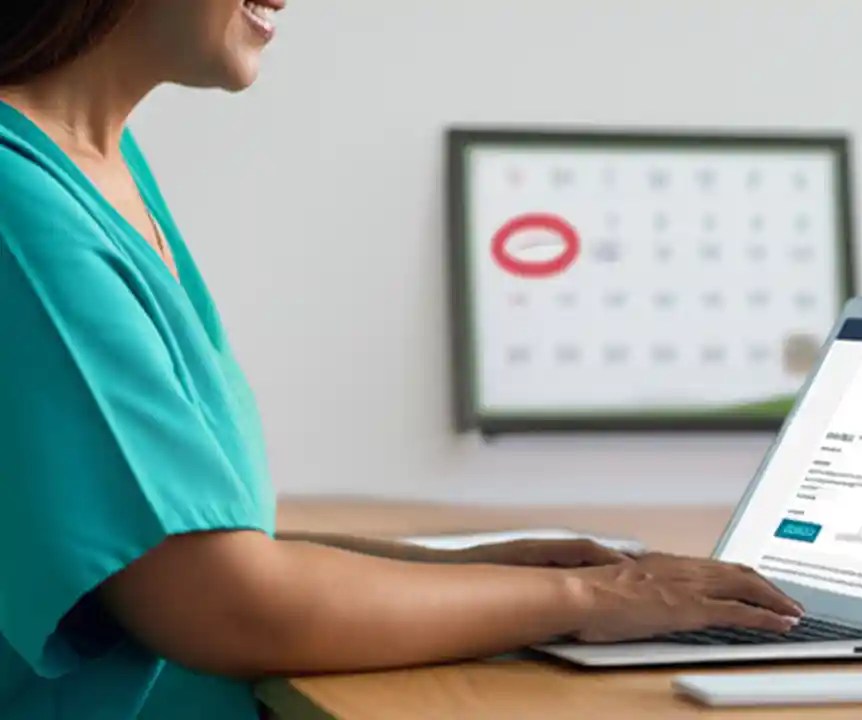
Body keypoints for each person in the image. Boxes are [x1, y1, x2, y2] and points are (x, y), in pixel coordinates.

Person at [0, 2, 805, 718]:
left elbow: (182, 548)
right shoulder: (20, 206)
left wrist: (472, 575)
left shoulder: (95, 166)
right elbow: (221, 605)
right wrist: (583, 596)